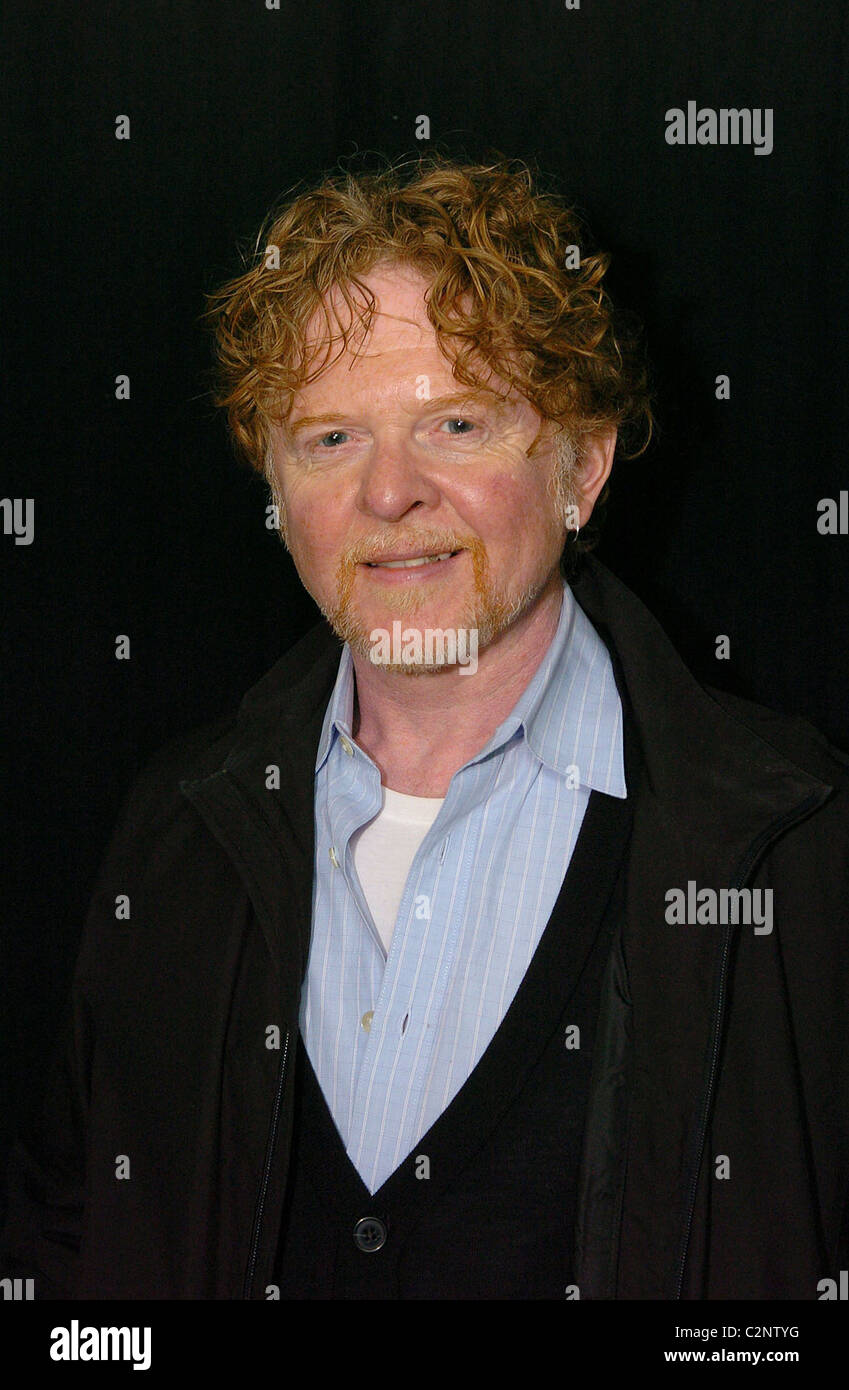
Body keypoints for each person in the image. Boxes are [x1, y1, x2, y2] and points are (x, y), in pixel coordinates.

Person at [2, 155, 848, 1300]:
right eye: (331, 439)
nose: (390, 491)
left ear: (583, 466)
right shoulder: (174, 831)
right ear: (274, 484)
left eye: (455, 422)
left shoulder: (801, 848)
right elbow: (66, 1252)